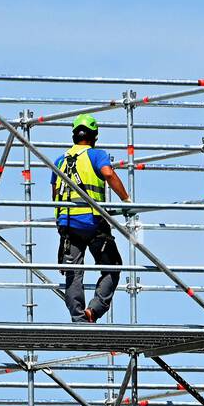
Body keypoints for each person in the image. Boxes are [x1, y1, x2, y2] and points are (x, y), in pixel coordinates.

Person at [52, 114, 130, 323]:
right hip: (93, 222)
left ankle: (78, 318)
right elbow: (108, 173)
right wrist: (126, 199)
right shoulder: (96, 155)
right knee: (113, 267)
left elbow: (54, 193)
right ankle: (93, 311)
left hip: (68, 224)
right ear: (94, 136)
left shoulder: (60, 161)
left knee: (73, 273)